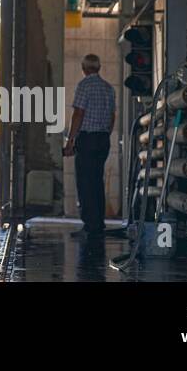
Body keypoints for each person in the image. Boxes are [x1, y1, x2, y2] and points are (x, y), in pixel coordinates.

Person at [63, 54, 116, 238]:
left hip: (87, 139)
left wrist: (71, 140)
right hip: (102, 139)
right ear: (99, 68)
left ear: (83, 68)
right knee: (97, 182)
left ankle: (89, 226)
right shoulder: (109, 89)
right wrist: (104, 135)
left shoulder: (84, 86)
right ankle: (98, 223)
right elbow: (112, 117)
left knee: (85, 183)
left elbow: (78, 113)